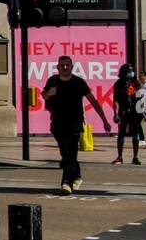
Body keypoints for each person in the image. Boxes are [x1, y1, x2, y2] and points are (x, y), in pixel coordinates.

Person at [42, 55, 110, 194]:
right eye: (62, 65)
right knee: (65, 153)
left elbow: (93, 101)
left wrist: (104, 120)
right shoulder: (53, 81)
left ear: (72, 67)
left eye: (67, 65)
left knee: (71, 152)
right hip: (57, 123)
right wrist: (49, 93)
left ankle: (66, 183)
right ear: (58, 67)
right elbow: (44, 95)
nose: (65, 67)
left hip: (74, 122)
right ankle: (77, 174)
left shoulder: (78, 82)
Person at [112, 63, 144, 166]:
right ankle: (119, 156)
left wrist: (141, 111)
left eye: (131, 71)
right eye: (128, 71)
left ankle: (135, 156)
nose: (130, 73)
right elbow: (116, 100)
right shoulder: (118, 84)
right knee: (121, 133)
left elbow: (141, 98)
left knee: (136, 133)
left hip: (135, 111)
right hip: (123, 111)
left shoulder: (136, 83)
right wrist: (116, 113)